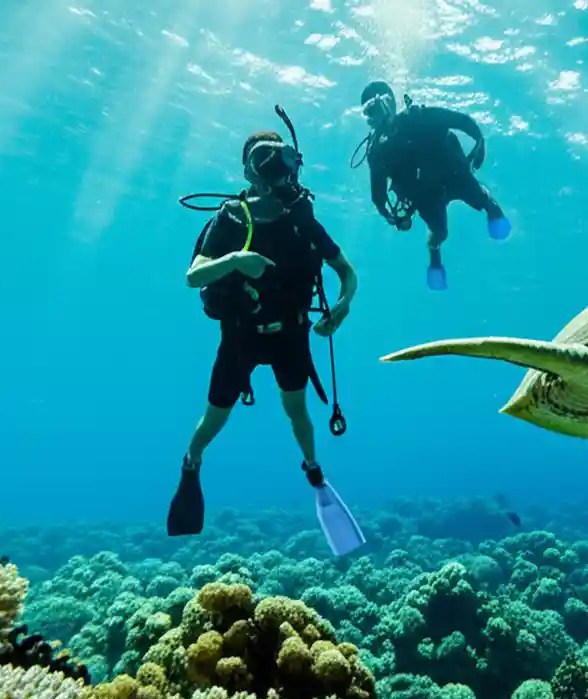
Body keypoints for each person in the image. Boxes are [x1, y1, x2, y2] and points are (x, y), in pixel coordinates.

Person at [170, 122, 360, 543]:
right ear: (248, 171)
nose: (276, 168)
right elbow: (193, 275)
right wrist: (237, 259)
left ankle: (314, 469)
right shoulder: (231, 219)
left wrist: (343, 306)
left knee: (298, 411)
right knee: (216, 416)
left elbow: (347, 271)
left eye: (283, 157)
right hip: (241, 335)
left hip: (290, 335)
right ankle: (192, 461)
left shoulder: (303, 220)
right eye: (263, 159)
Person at [357, 80, 511, 291]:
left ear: (391, 102)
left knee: (484, 202)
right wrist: (393, 218)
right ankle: (434, 250)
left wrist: (479, 144)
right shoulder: (377, 151)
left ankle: (491, 207)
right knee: (440, 231)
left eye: (379, 104)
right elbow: (378, 197)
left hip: (456, 175)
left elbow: (462, 121)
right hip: (426, 197)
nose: (378, 114)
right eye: (370, 111)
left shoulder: (419, 117)